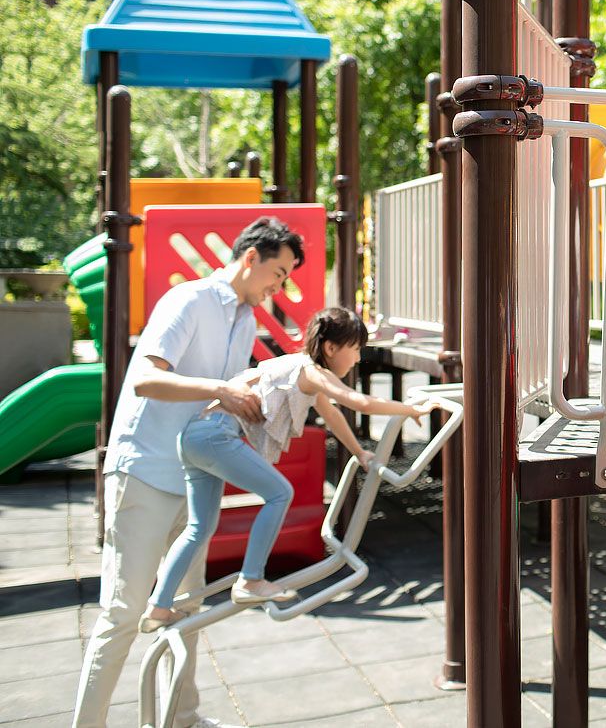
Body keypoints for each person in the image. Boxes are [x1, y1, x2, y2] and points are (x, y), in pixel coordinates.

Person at [74, 217, 304, 728]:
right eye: (279, 272)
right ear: (252, 258)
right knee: (123, 613)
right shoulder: (189, 301)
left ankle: (180, 719)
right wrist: (221, 391)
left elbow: (215, 402)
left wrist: (251, 407)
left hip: (194, 478)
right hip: (145, 470)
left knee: (187, 610)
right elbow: (147, 380)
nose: (280, 285)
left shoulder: (245, 319)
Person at [141, 307, 437, 629]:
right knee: (281, 493)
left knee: (199, 529)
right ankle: (251, 580)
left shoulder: (296, 368)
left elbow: (334, 415)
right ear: (331, 348)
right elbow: (358, 402)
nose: (357, 359)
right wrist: (411, 409)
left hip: (193, 437)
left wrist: (359, 452)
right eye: (355, 350)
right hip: (215, 437)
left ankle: (158, 606)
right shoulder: (312, 371)